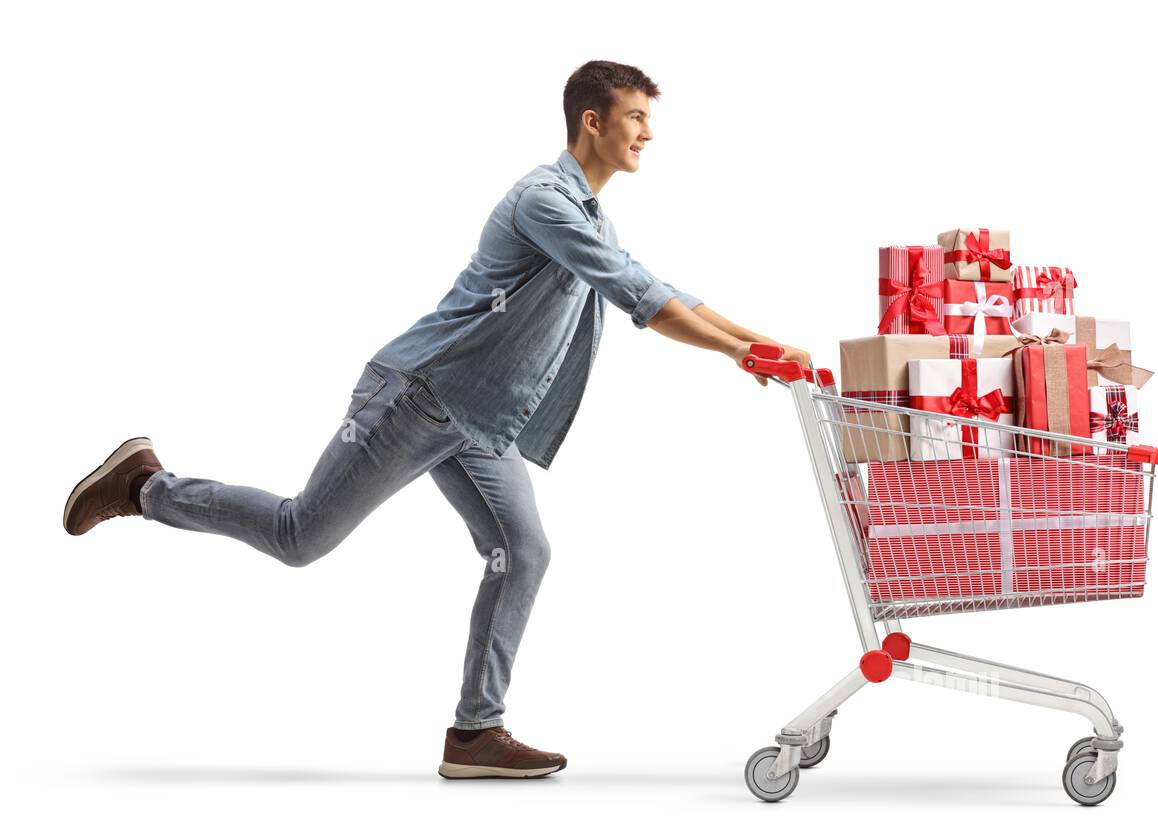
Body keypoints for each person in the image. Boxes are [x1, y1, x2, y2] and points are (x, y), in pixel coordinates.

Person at [62, 60, 813, 780]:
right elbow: (637, 299)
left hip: (481, 422)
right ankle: (145, 488)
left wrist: (762, 342)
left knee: (524, 552)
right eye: (638, 118)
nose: (648, 134)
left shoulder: (590, 212)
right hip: (418, 397)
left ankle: (475, 732)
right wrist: (736, 357)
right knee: (299, 537)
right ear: (594, 121)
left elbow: (660, 285)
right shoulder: (544, 201)